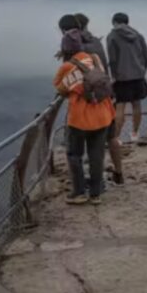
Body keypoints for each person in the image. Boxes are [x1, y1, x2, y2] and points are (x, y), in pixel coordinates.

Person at [54, 27, 115, 205]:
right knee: (96, 155)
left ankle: (79, 192)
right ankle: (96, 193)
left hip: (79, 118)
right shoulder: (94, 59)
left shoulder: (66, 67)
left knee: (74, 154)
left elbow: (60, 88)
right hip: (103, 114)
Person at [107, 13, 147, 144]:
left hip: (121, 77)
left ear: (114, 22)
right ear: (127, 22)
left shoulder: (112, 36)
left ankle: (116, 137)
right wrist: (142, 70)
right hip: (138, 75)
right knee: (136, 105)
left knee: (120, 107)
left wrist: (114, 75)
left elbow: (113, 59)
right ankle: (135, 134)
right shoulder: (138, 35)